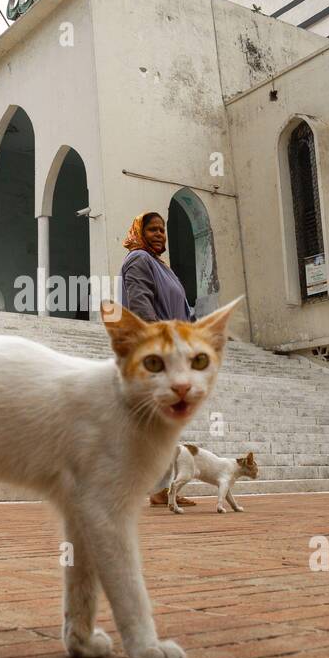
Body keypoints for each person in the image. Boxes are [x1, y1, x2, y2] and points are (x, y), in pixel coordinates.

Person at [117, 211, 196, 506]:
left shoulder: (162, 267)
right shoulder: (139, 259)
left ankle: (161, 488)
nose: (160, 234)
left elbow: (183, 308)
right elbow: (140, 301)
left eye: (163, 230)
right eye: (152, 230)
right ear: (139, 232)